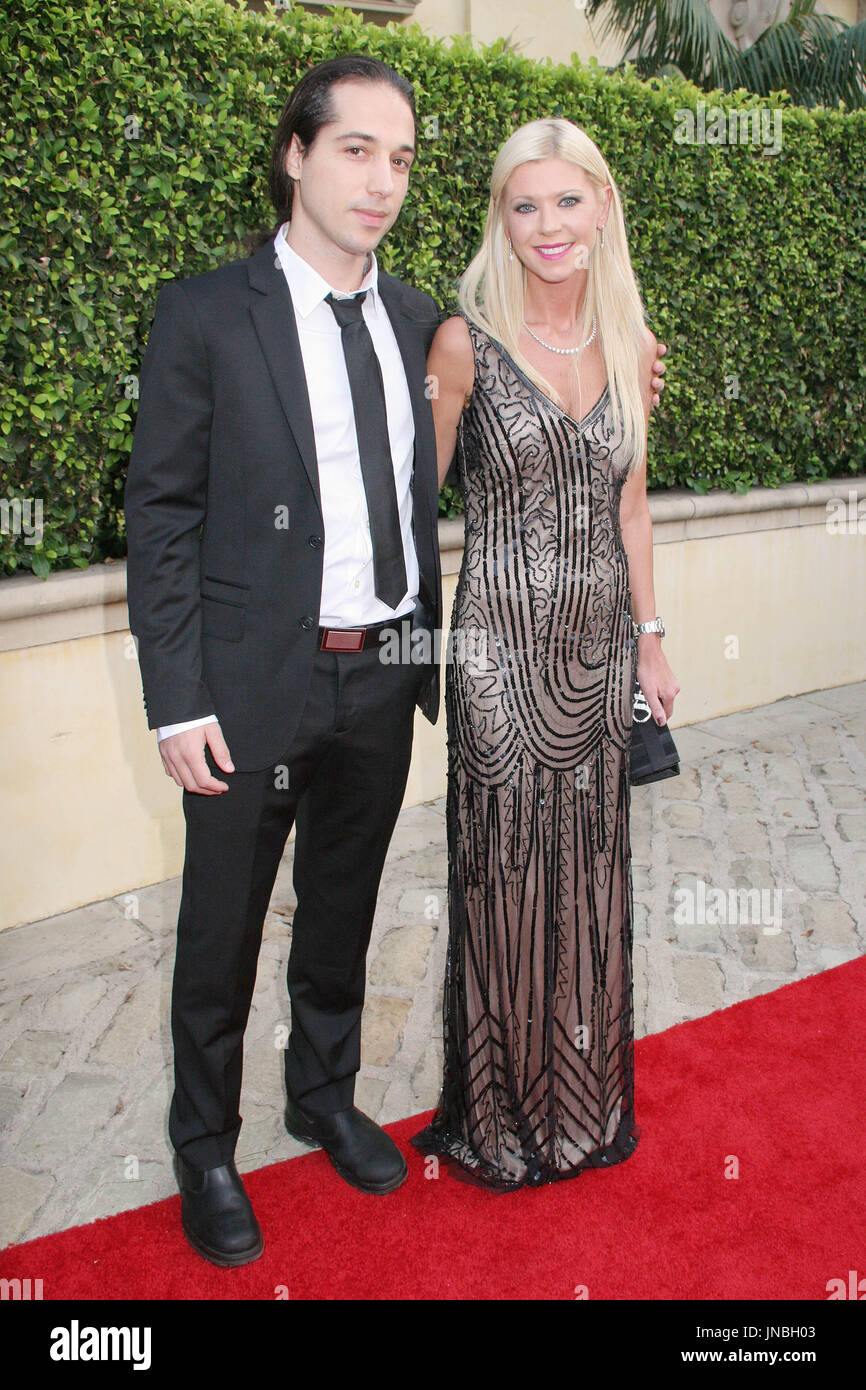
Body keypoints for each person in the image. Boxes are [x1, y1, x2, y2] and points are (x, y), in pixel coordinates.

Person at [124, 55, 447, 1267]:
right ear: (296, 156)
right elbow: (159, 513)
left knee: (345, 907)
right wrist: (177, 698)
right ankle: (204, 1142)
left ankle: (322, 1093)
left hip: (381, 671)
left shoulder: (420, 321)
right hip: (253, 686)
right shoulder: (206, 312)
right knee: (219, 929)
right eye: (356, 149)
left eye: (402, 159)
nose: (381, 181)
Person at [411, 118, 679, 1190]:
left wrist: (649, 641)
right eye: (524, 205)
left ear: (601, 206)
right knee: (508, 887)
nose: (546, 226)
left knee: (588, 882)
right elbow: (409, 502)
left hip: (597, 655)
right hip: (497, 665)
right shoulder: (461, 344)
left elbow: (632, 508)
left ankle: (583, 1104)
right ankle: (504, 1116)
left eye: (566, 201)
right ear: (499, 218)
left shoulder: (630, 344)